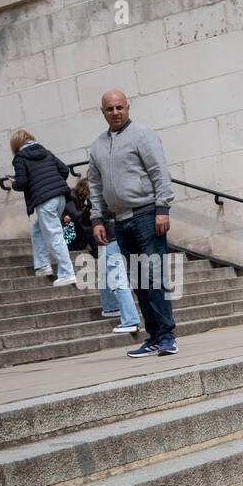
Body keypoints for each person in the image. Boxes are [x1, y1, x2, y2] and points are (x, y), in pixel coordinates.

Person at [87, 89, 178, 357]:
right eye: (109, 109)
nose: (115, 113)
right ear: (102, 112)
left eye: (119, 108)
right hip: (119, 221)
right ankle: (152, 336)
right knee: (138, 280)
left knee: (155, 276)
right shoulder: (97, 146)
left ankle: (167, 335)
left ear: (128, 107)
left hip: (147, 215)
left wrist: (162, 208)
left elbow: (159, 171)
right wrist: (97, 219)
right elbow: (94, 184)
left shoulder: (142, 134)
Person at [66, 178, 140, 334]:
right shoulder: (116, 187)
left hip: (109, 236)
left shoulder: (97, 194)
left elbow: (86, 219)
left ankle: (130, 320)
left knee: (116, 278)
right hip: (114, 235)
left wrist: (87, 210)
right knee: (105, 275)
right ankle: (111, 308)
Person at [8, 129, 77, 287]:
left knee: (54, 235)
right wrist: (55, 184)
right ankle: (43, 266)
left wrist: (13, 182)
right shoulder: (45, 152)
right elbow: (64, 170)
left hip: (44, 200)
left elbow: (22, 182)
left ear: (16, 145)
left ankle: (67, 273)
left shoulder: (20, 158)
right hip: (60, 197)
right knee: (38, 230)